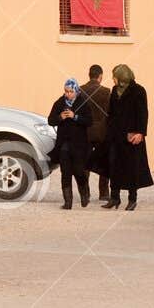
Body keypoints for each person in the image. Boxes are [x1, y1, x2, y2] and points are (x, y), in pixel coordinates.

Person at [104, 64, 154, 209]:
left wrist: (141, 132)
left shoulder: (138, 90)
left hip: (132, 136)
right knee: (114, 166)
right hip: (116, 136)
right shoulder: (114, 90)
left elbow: (143, 113)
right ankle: (115, 198)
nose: (113, 78)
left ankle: (132, 199)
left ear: (121, 76)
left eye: (114, 76)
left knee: (132, 167)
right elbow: (111, 112)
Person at [47, 78, 93, 209]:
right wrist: (60, 118)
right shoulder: (59, 103)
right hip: (64, 144)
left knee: (79, 171)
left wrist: (75, 116)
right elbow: (50, 120)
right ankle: (68, 202)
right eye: (66, 91)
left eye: (71, 91)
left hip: (79, 145)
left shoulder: (83, 103)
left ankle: (84, 193)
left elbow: (89, 121)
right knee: (65, 172)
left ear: (76, 91)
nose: (68, 94)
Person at [80, 64, 112, 204]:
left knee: (84, 163)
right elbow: (110, 112)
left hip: (84, 130)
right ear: (100, 76)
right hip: (101, 132)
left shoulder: (80, 90)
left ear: (89, 75)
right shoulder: (106, 91)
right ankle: (104, 193)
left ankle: (85, 193)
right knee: (104, 161)